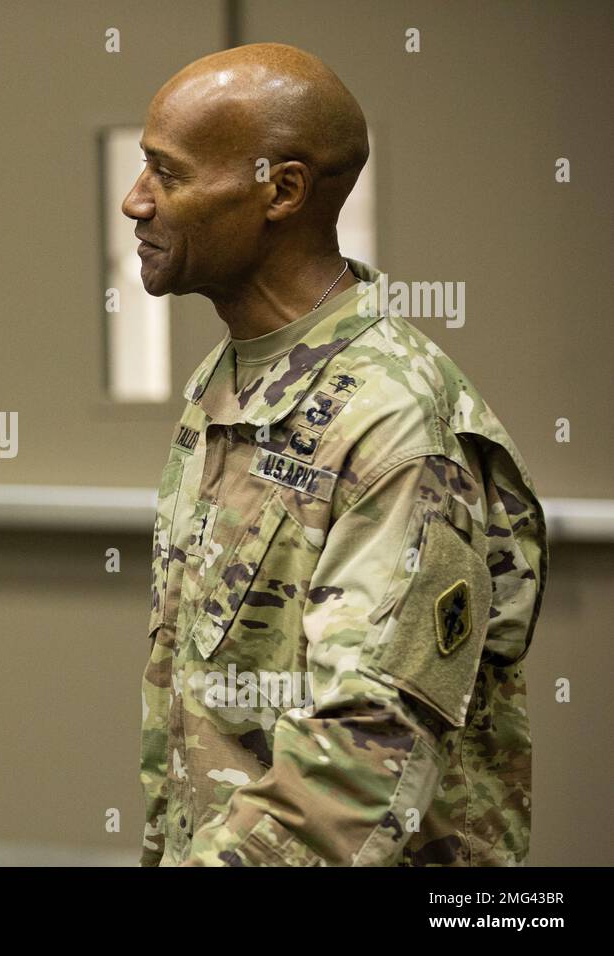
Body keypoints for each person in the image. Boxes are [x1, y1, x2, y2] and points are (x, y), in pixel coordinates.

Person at [122, 42, 546, 866]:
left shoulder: (391, 422)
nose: (136, 202)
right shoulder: (237, 371)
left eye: (167, 174)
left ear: (279, 191)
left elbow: (363, 765)